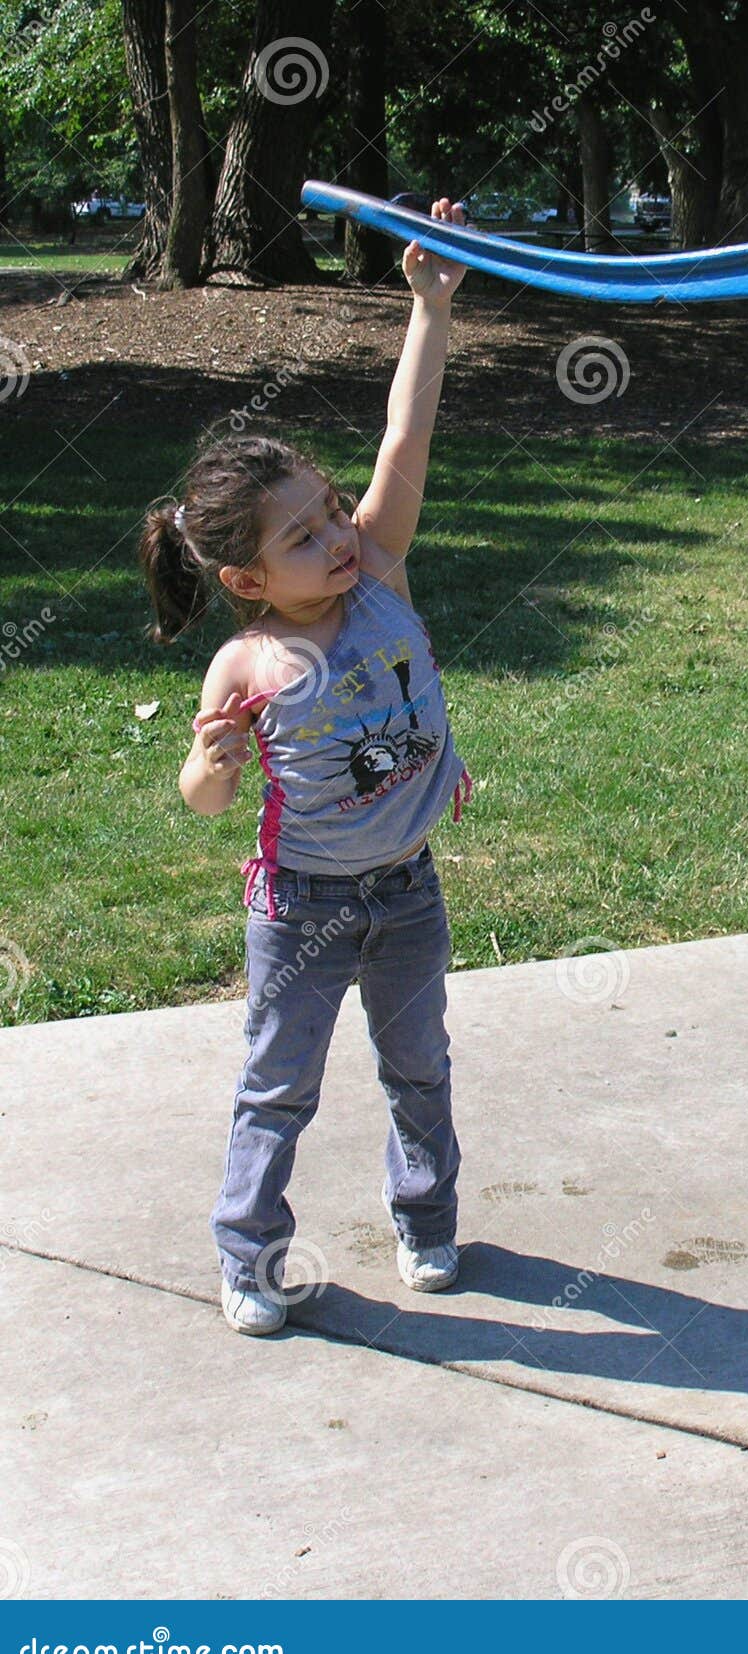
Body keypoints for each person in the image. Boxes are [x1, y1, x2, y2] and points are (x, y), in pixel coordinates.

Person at [138, 198, 474, 1335]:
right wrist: (208, 759)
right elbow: (206, 800)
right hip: (303, 908)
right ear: (247, 581)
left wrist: (428, 309)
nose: (337, 535)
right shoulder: (250, 664)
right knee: (279, 1085)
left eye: (329, 511)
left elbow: (403, 440)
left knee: (419, 1063)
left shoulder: (378, 569)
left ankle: (426, 1217)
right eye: (304, 537)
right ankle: (249, 1254)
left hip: (408, 887)